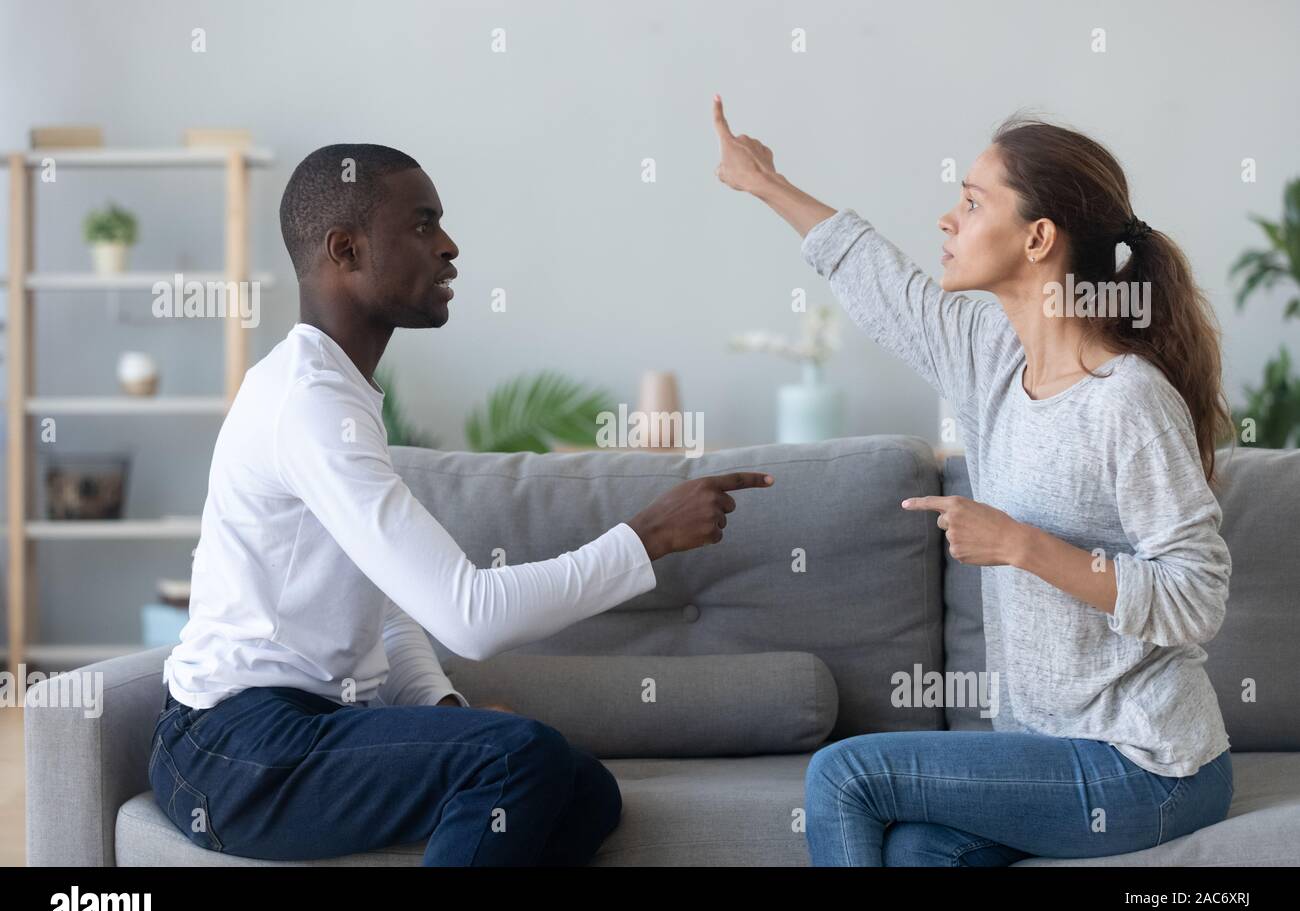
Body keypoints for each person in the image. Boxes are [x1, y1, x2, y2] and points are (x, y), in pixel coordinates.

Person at [152, 143, 773, 866]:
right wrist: (645, 538)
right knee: (517, 759)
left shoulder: (340, 395)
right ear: (345, 250)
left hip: (300, 730)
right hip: (231, 752)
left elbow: (386, 606)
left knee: (586, 790)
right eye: (422, 225)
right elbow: (468, 616)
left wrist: (445, 711)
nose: (449, 247)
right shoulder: (308, 403)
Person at [711, 95, 1235, 866]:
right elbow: (878, 279)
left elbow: (1198, 598)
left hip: (1147, 765)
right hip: (1043, 753)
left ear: (1039, 238)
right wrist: (764, 181)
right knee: (918, 850)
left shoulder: (1125, 399)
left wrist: (1024, 546)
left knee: (845, 775)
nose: (946, 221)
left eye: (970, 201)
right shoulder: (991, 355)